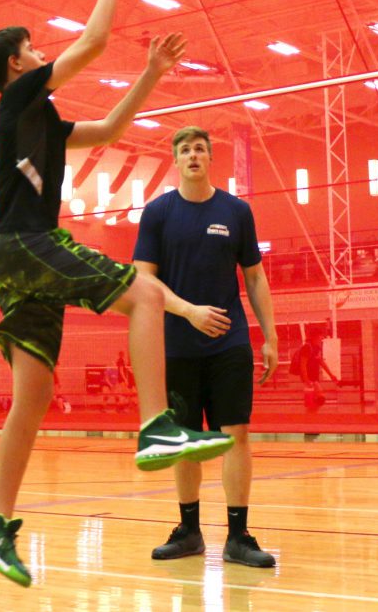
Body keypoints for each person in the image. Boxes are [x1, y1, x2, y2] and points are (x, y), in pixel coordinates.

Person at [0, 0, 235, 588]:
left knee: (33, 394)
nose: (40, 52)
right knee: (146, 292)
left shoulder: (42, 120)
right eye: (32, 47)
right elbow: (93, 42)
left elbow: (108, 130)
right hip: (25, 240)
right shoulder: (17, 98)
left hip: (10, 252)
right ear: (16, 64)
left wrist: (152, 73)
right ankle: (157, 427)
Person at [134, 126, 280, 569]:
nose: (193, 155)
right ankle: (189, 532)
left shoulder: (236, 211)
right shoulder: (158, 213)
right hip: (176, 344)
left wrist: (270, 335)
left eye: (200, 149)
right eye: (185, 150)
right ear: (176, 160)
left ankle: (238, 537)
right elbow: (143, 279)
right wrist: (188, 311)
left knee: (235, 434)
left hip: (229, 343)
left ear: (210, 158)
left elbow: (254, 276)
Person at [300, 328, 338, 413]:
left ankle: (311, 416)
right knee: (318, 398)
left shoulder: (317, 348)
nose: (322, 338)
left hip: (314, 378)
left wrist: (331, 375)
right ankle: (310, 416)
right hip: (309, 379)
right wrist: (306, 379)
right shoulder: (306, 347)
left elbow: (321, 362)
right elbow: (303, 365)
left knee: (314, 402)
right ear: (315, 336)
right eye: (321, 336)